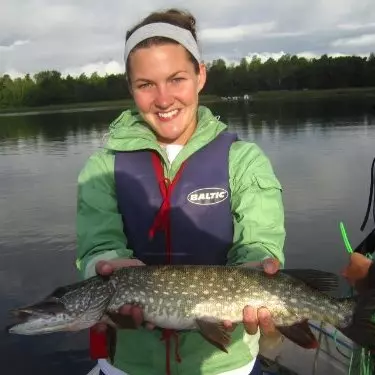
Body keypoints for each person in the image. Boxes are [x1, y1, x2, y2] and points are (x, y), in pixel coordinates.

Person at [75, 7, 285, 375]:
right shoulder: (102, 167)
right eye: (145, 85)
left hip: (225, 363)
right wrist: (103, 265)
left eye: (176, 79)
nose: (163, 99)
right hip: (128, 361)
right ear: (130, 87)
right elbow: (97, 246)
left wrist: (258, 264)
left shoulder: (244, 160)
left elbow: (260, 242)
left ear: (200, 75)